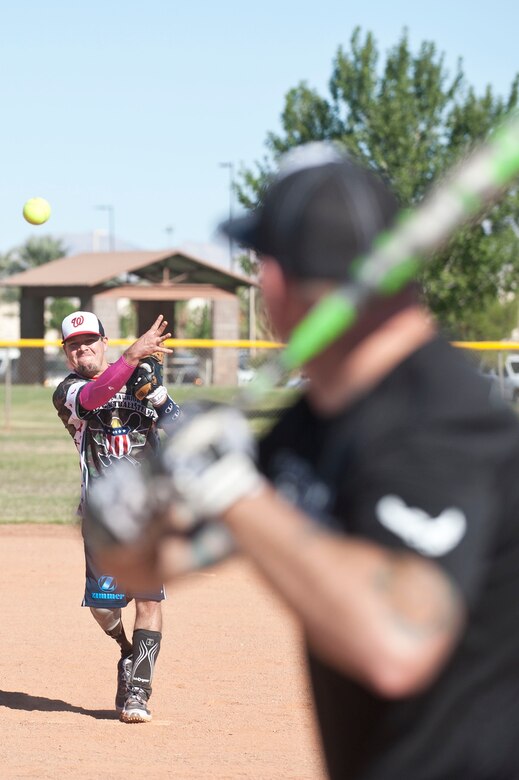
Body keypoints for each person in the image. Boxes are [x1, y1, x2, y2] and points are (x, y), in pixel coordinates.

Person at [87, 144, 519, 777]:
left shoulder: (441, 422)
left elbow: (398, 641)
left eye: (263, 263)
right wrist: (122, 521)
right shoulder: (312, 425)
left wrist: (232, 489)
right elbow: (167, 557)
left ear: (280, 282)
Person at [52, 310, 180, 724]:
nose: (83, 348)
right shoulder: (68, 391)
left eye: (90, 341)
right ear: (67, 354)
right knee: (104, 607)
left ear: (103, 342)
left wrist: (157, 395)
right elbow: (93, 400)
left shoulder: (140, 377)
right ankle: (126, 651)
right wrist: (130, 359)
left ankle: (139, 692)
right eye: (74, 345)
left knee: (148, 597)